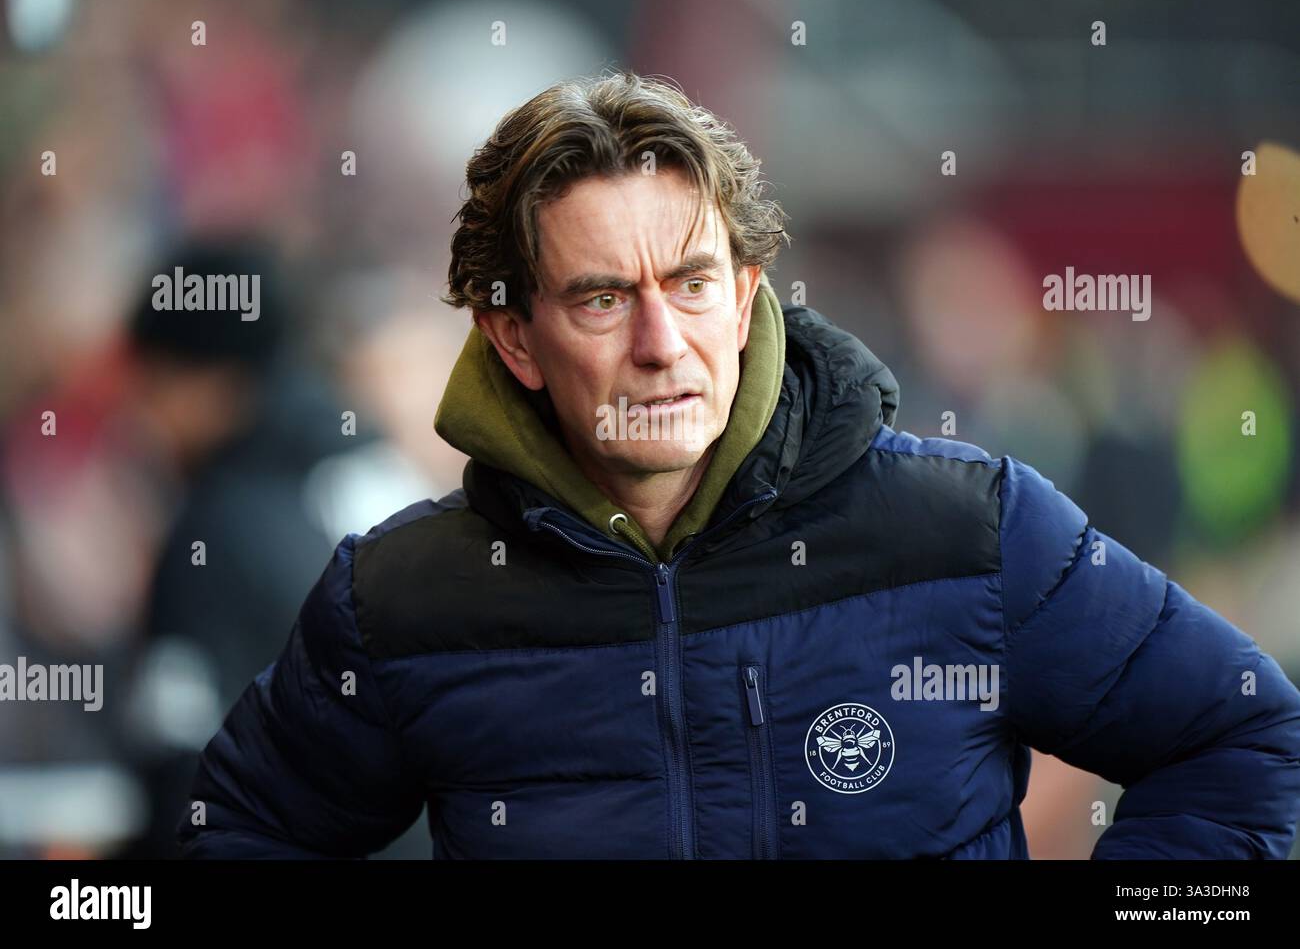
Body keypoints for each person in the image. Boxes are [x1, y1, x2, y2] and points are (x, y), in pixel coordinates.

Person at [177, 71, 1300, 859]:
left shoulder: (969, 529)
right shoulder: (403, 599)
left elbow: (1244, 731)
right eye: (603, 296)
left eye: (694, 283)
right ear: (513, 335)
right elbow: (239, 832)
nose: (662, 343)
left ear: (750, 291)